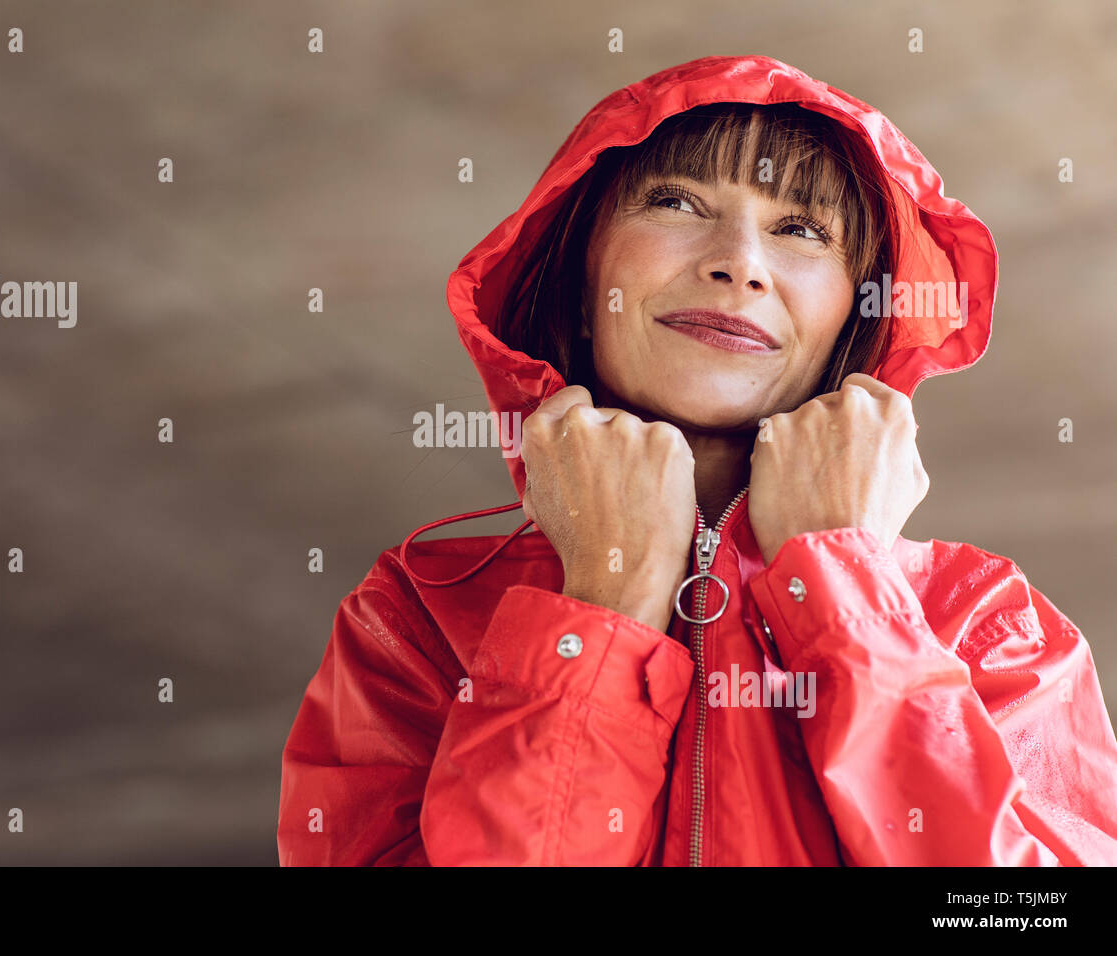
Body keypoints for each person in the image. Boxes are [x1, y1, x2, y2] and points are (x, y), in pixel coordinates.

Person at [276, 54, 1117, 865]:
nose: (739, 263)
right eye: (677, 202)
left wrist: (849, 591)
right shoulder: (415, 618)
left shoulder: (989, 623)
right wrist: (607, 600)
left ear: (852, 322)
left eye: (801, 229)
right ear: (577, 275)